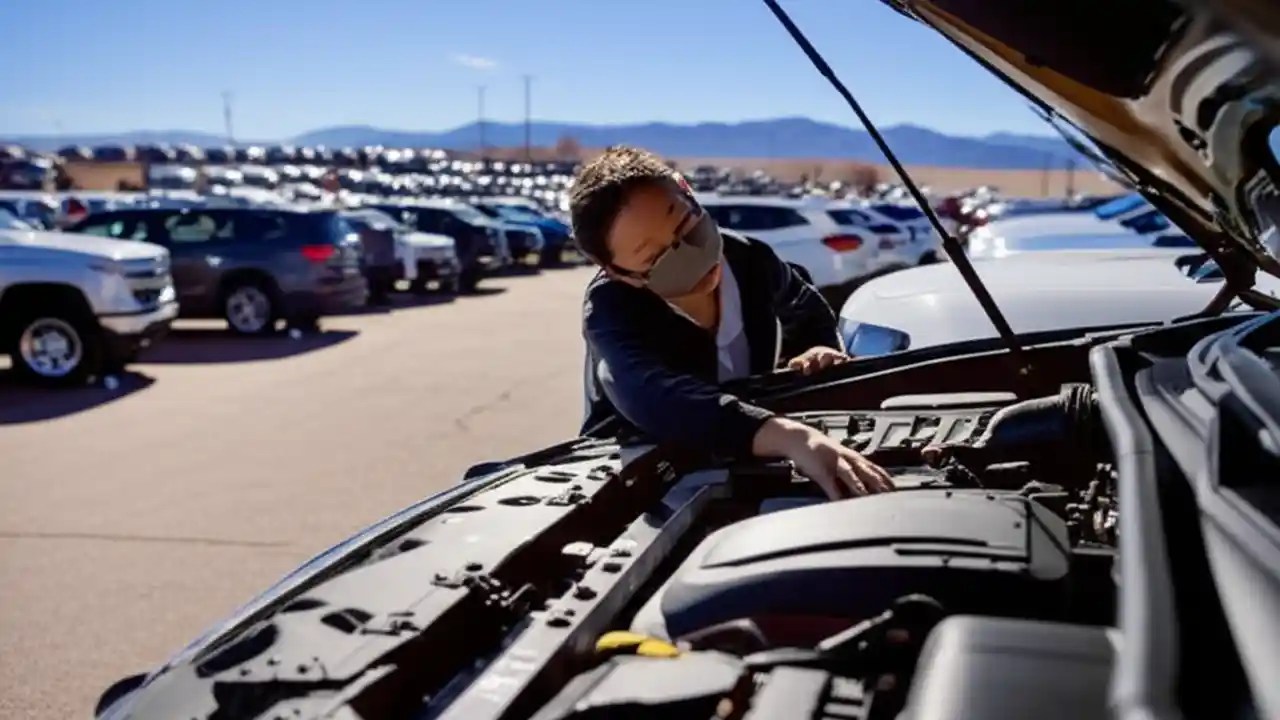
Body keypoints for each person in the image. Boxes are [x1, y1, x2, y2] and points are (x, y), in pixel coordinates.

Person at [573, 146, 894, 500]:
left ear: (688, 192)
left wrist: (819, 348)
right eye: (657, 257)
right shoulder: (611, 308)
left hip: (748, 465)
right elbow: (649, 391)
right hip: (642, 485)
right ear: (622, 274)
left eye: (686, 224)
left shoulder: (750, 260)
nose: (692, 254)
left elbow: (804, 305)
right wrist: (788, 436)